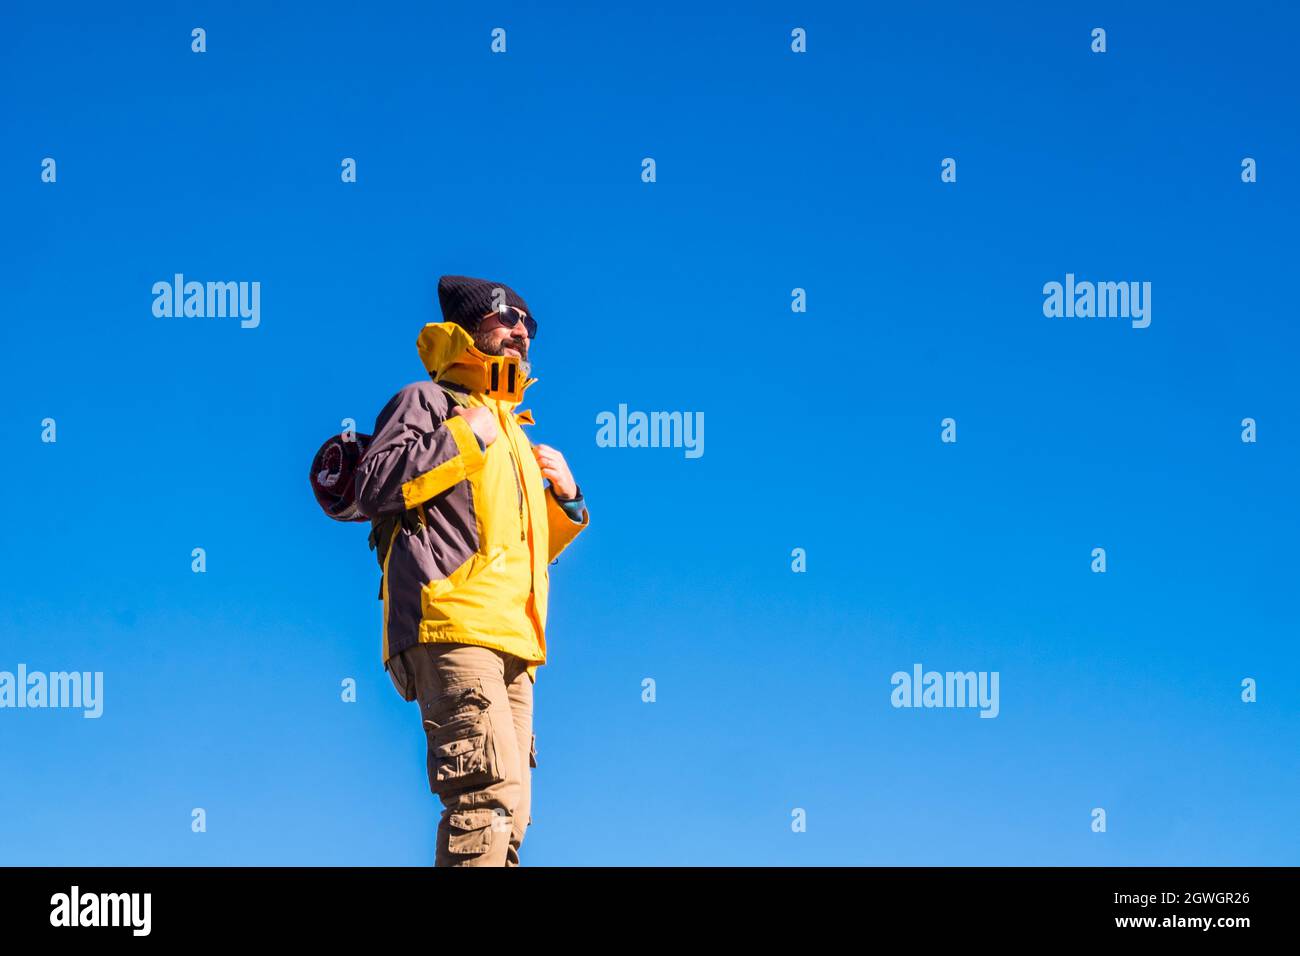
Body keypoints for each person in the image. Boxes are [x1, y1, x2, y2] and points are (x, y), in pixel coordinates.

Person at [354, 274, 589, 866]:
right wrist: (468, 433)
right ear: (467, 328)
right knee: (480, 799)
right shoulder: (431, 403)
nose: (520, 332)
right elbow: (377, 485)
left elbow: (514, 545)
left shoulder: (516, 432)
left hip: (516, 638)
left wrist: (568, 503)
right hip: (453, 619)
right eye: (507, 318)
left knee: (508, 815)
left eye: (528, 325)